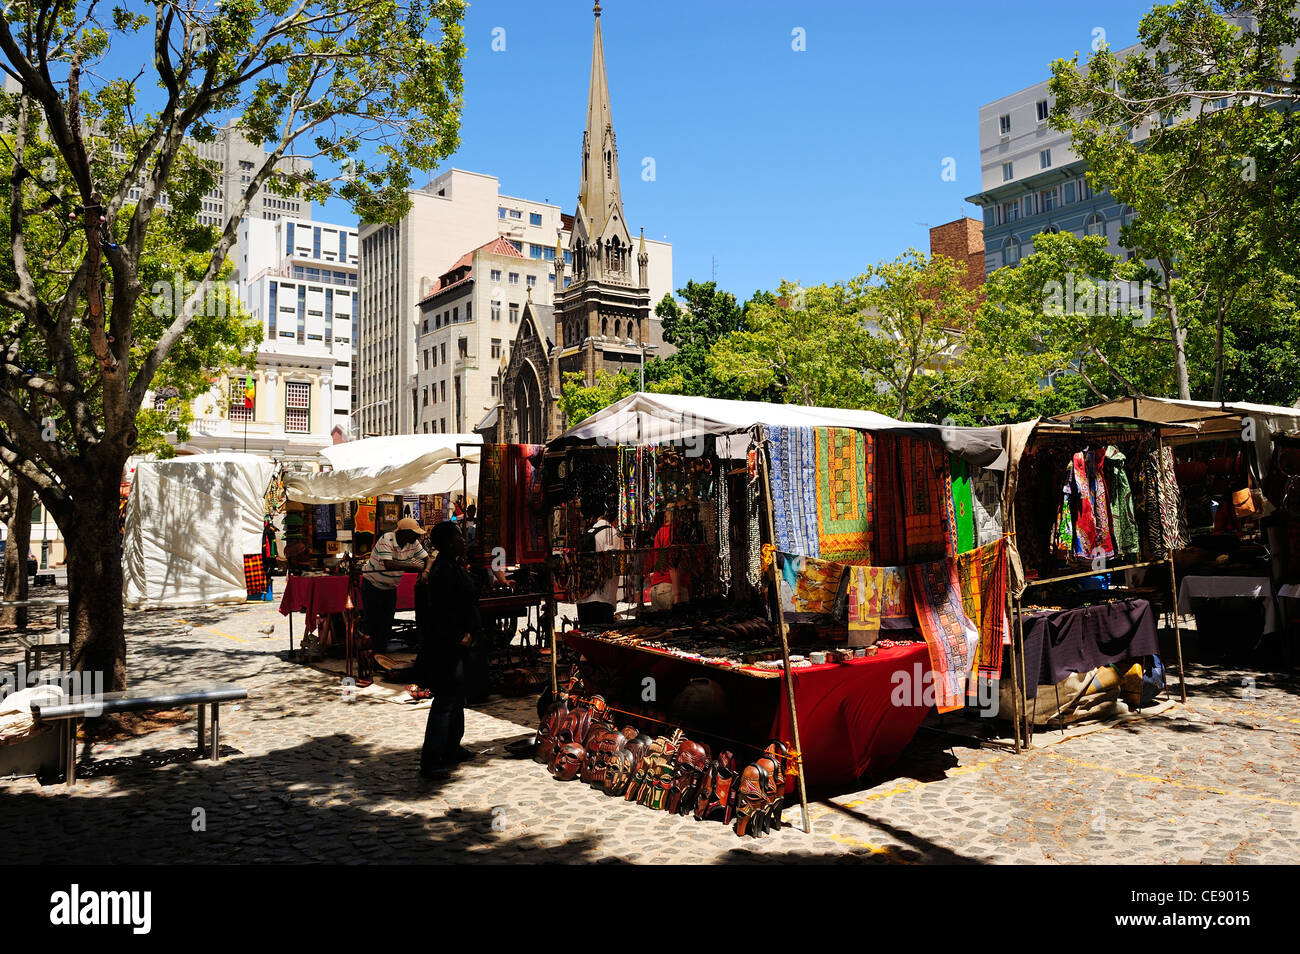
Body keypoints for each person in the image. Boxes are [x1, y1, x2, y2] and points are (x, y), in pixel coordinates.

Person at [419, 521, 480, 778]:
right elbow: (444, 611)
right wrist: (458, 637)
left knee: (456, 697)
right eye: (458, 537)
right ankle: (432, 758)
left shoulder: (452, 565)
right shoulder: (442, 570)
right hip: (447, 643)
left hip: (457, 640)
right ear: (446, 542)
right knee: (445, 700)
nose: (462, 540)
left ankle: (452, 746)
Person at [362, 516, 429, 654]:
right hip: (373, 585)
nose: (417, 536)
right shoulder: (387, 538)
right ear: (404, 533)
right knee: (372, 622)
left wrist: (426, 571)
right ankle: (369, 655)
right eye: (414, 533)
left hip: (391, 587)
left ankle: (380, 654)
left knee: (386, 623)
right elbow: (388, 564)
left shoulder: (413, 543)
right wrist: (412, 565)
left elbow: (427, 559)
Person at [577, 499, 621, 626]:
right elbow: (612, 567)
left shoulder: (589, 533)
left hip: (583, 599)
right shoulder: (613, 534)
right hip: (602, 599)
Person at [646, 506, 690, 612]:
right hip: (670, 588)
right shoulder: (674, 534)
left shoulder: (660, 533)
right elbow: (672, 564)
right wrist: (677, 595)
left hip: (656, 588)